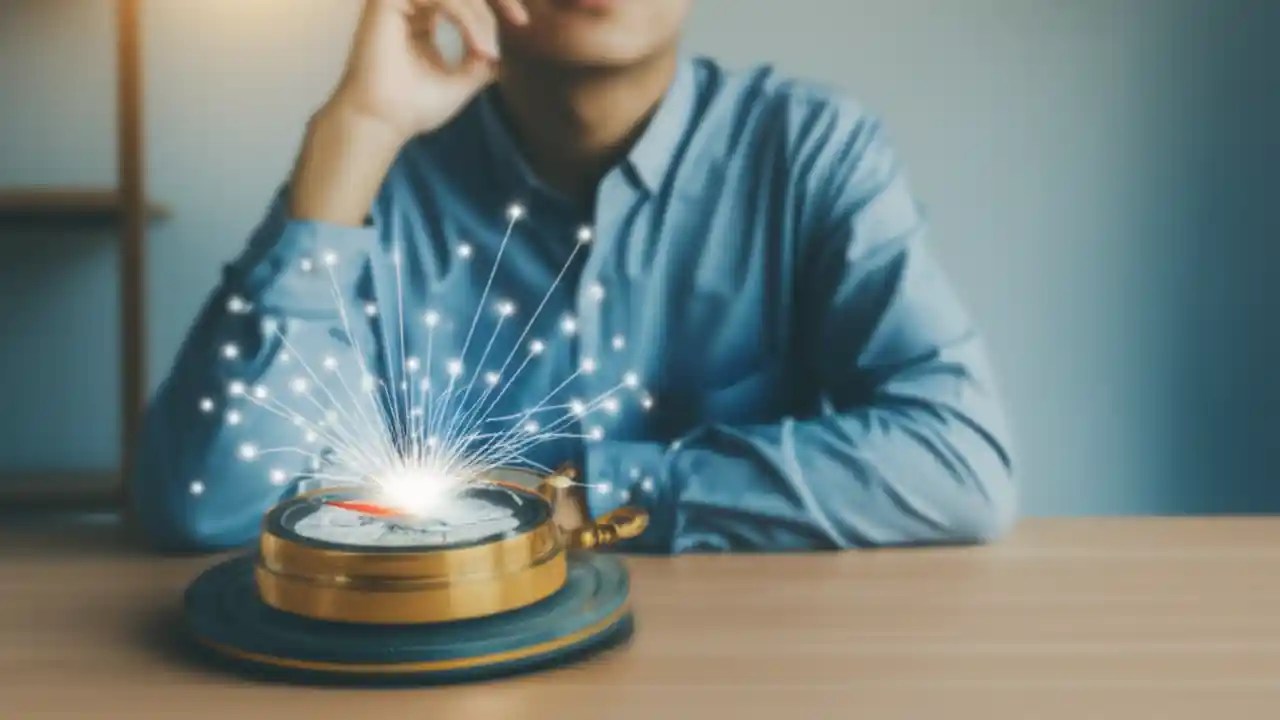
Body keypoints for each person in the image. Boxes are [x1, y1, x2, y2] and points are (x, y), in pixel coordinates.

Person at [135, 0, 1015, 552]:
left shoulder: (808, 149)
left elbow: (957, 464)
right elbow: (210, 505)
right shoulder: (384, 174)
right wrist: (357, 129)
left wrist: (578, 495)